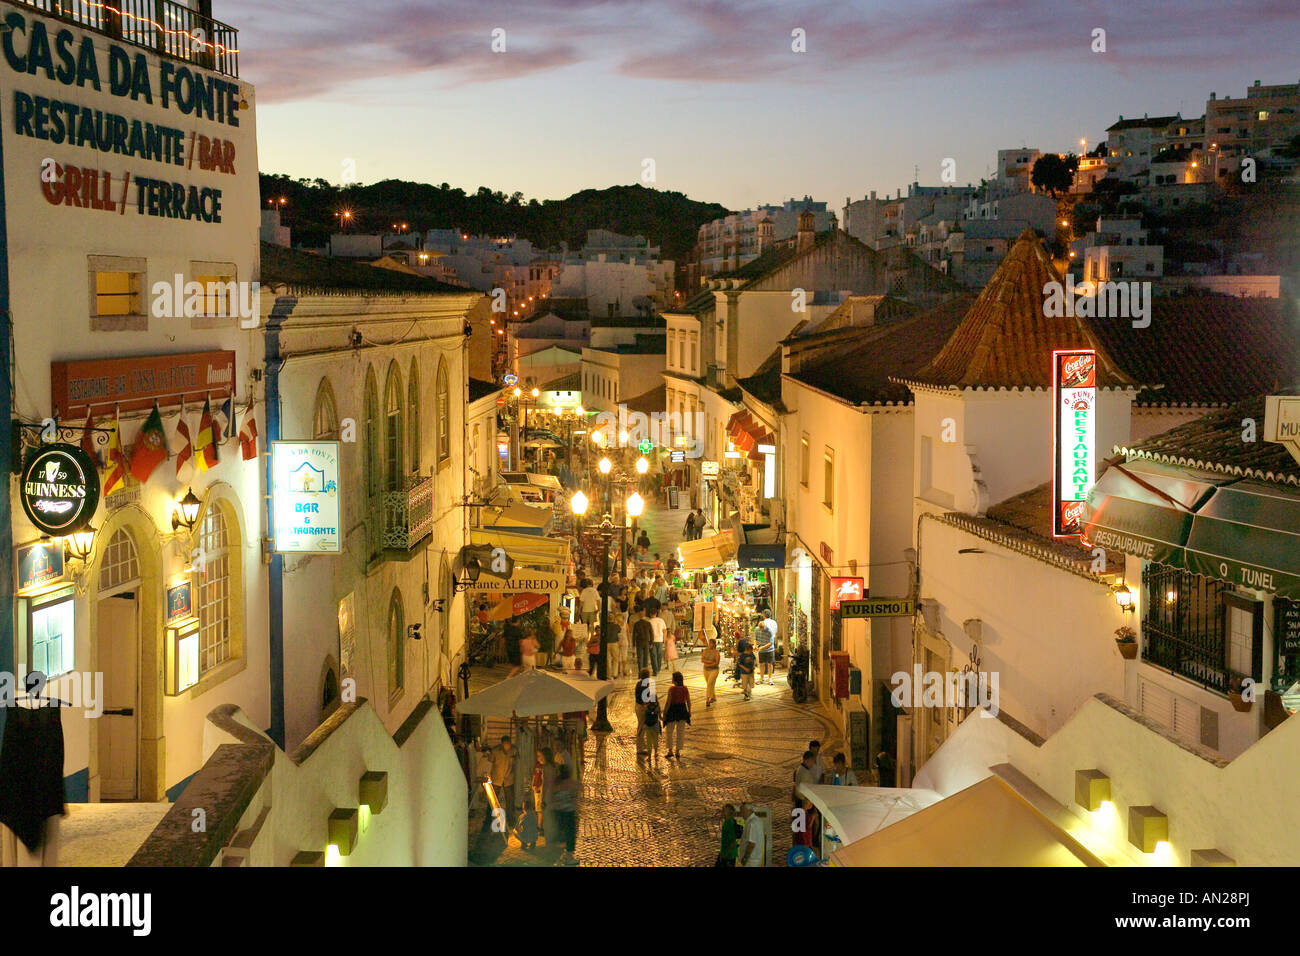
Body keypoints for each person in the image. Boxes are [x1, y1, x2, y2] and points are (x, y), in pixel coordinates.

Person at [551, 764, 580, 865]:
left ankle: (559, 857)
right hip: (568, 813)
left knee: (560, 834)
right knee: (570, 835)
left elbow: (552, 795)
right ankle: (568, 857)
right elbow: (579, 789)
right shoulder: (571, 783)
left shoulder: (556, 783)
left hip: (558, 812)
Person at [489, 736, 517, 829]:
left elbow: (517, 761)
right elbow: (490, 762)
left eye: (508, 744)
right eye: (505, 744)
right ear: (502, 744)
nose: (507, 746)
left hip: (508, 779)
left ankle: (510, 819)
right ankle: (490, 818)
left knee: (510, 800)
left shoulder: (514, 750)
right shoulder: (495, 751)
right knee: (493, 799)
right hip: (497, 778)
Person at [661, 670, 691, 758]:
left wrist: (665, 712)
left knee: (669, 731)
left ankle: (670, 750)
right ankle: (678, 751)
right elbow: (688, 701)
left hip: (672, 710)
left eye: (672, 678)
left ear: (675, 680)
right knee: (680, 732)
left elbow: (668, 702)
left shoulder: (672, 689)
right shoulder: (685, 689)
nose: (671, 679)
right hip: (682, 710)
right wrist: (689, 711)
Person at [634, 668, 655, 755]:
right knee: (642, 727)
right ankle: (640, 748)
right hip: (642, 707)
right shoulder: (644, 686)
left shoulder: (639, 683)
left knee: (641, 726)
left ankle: (642, 745)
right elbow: (645, 700)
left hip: (638, 706)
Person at [738, 802, 764, 867]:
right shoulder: (757, 820)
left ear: (749, 810)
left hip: (750, 861)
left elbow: (751, 844)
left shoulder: (752, 823)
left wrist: (745, 858)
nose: (741, 814)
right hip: (754, 860)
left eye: (743, 811)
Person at [632, 608, 654, 674]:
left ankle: (640, 672)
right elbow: (651, 633)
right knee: (646, 658)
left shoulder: (636, 624)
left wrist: (633, 644)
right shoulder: (648, 623)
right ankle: (646, 672)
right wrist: (651, 643)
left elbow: (634, 634)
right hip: (646, 642)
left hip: (639, 642)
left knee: (640, 658)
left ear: (639, 616)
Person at [755, 616, 776, 685]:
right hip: (761, 650)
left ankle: (770, 679)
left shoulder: (769, 631)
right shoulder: (757, 630)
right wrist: (756, 645)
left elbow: (771, 643)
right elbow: (755, 639)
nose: (761, 631)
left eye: (763, 629)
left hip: (769, 650)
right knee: (761, 664)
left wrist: (762, 647)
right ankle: (762, 678)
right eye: (760, 629)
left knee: (770, 664)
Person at [642, 691, 662, 762]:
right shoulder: (658, 707)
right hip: (655, 725)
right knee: (655, 740)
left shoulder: (646, 707)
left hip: (648, 726)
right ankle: (656, 753)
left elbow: (643, 716)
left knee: (649, 742)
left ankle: (649, 757)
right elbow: (660, 717)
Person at [701, 638, 721, 706]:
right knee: (711, 684)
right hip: (706, 670)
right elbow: (702, 659)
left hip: (714, 670)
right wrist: (710, 662)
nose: (709, 644)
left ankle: (708, 699)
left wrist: (708, 663)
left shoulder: (716, 652)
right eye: (709, 643)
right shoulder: (705, 651)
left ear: (713, 644)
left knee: (709, 683)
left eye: (710, 643)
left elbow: (716, 662)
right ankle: (713, 696)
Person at [648, 603, 666, 674]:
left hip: (652, 640)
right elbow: (665, 631)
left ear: (650, 614)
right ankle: (658, 668)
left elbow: (649, 633)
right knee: (659, 655)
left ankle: (655, 670)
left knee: (653, 656)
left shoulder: (649, 622)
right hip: (660, 640)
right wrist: (664, 639)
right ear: (656, 613)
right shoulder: (661, 620)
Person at [604, 613, 623, 680]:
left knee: (608, 660)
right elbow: (619, 634)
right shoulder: (617, 626)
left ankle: (609, 675)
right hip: (614, 643)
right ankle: (614, 674)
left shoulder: (605, 625)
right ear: (614, 618)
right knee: (615, 659)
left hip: (607, 643)